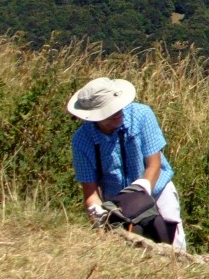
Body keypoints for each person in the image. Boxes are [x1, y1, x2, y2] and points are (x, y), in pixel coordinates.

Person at [67, 76, 186, 250]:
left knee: (172, 241)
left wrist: (139, 195)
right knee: (127, 249)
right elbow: (90, 192)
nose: (118, 113)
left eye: (117, 107)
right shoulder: (82, 141)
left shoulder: (142, 116)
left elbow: (154, 166)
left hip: (157, 188)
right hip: (117, 203)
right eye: (109, 111)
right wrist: (100, 223)